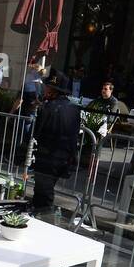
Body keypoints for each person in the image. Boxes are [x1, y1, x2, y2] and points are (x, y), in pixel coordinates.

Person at [31, 70, 82, 211]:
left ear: (53, 90)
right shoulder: (74, 109)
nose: (45, 89)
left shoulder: (47, 108)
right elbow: (74, 137)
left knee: (43, 195)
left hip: (46, 159)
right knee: (45, 191)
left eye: (48, 87)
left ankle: (43, 219)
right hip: (63, 159)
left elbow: (35, 133)